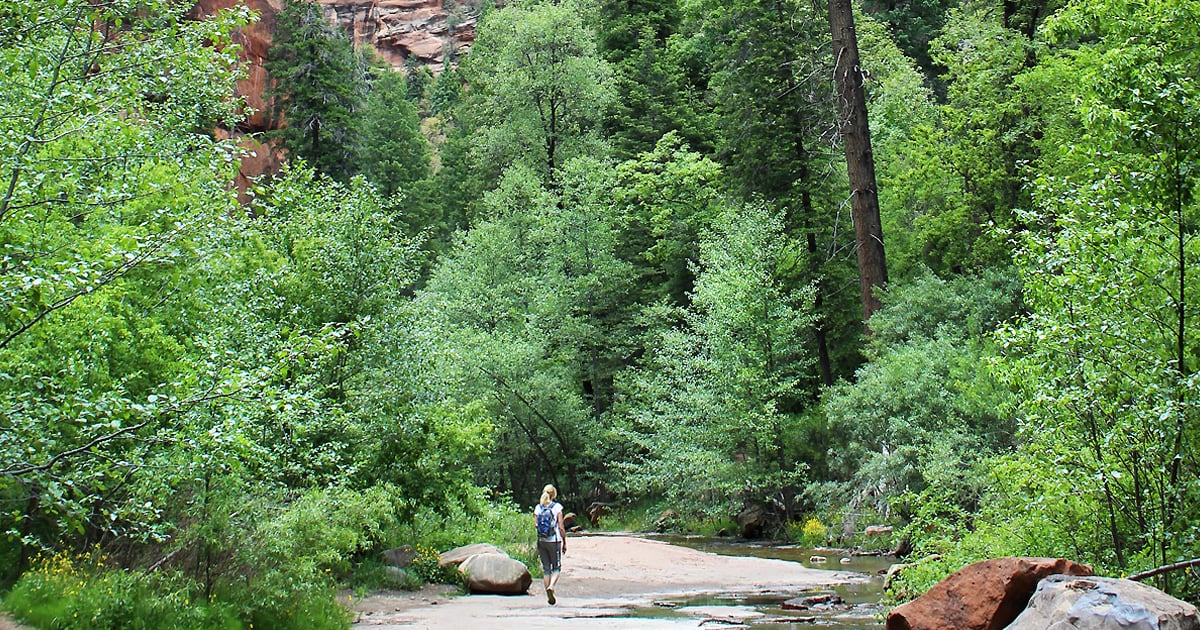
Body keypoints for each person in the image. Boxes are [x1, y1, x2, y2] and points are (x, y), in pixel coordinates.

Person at [534, 484, 566, 605]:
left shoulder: (538, 508)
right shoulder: (557, 507)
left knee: (546, 568)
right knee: (556, 567)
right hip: (554, 540)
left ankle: (548, 596)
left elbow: (536, 525)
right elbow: (561, 527)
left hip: (542, 541)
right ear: (554, 495)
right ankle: (551, 587)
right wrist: (564, 542)